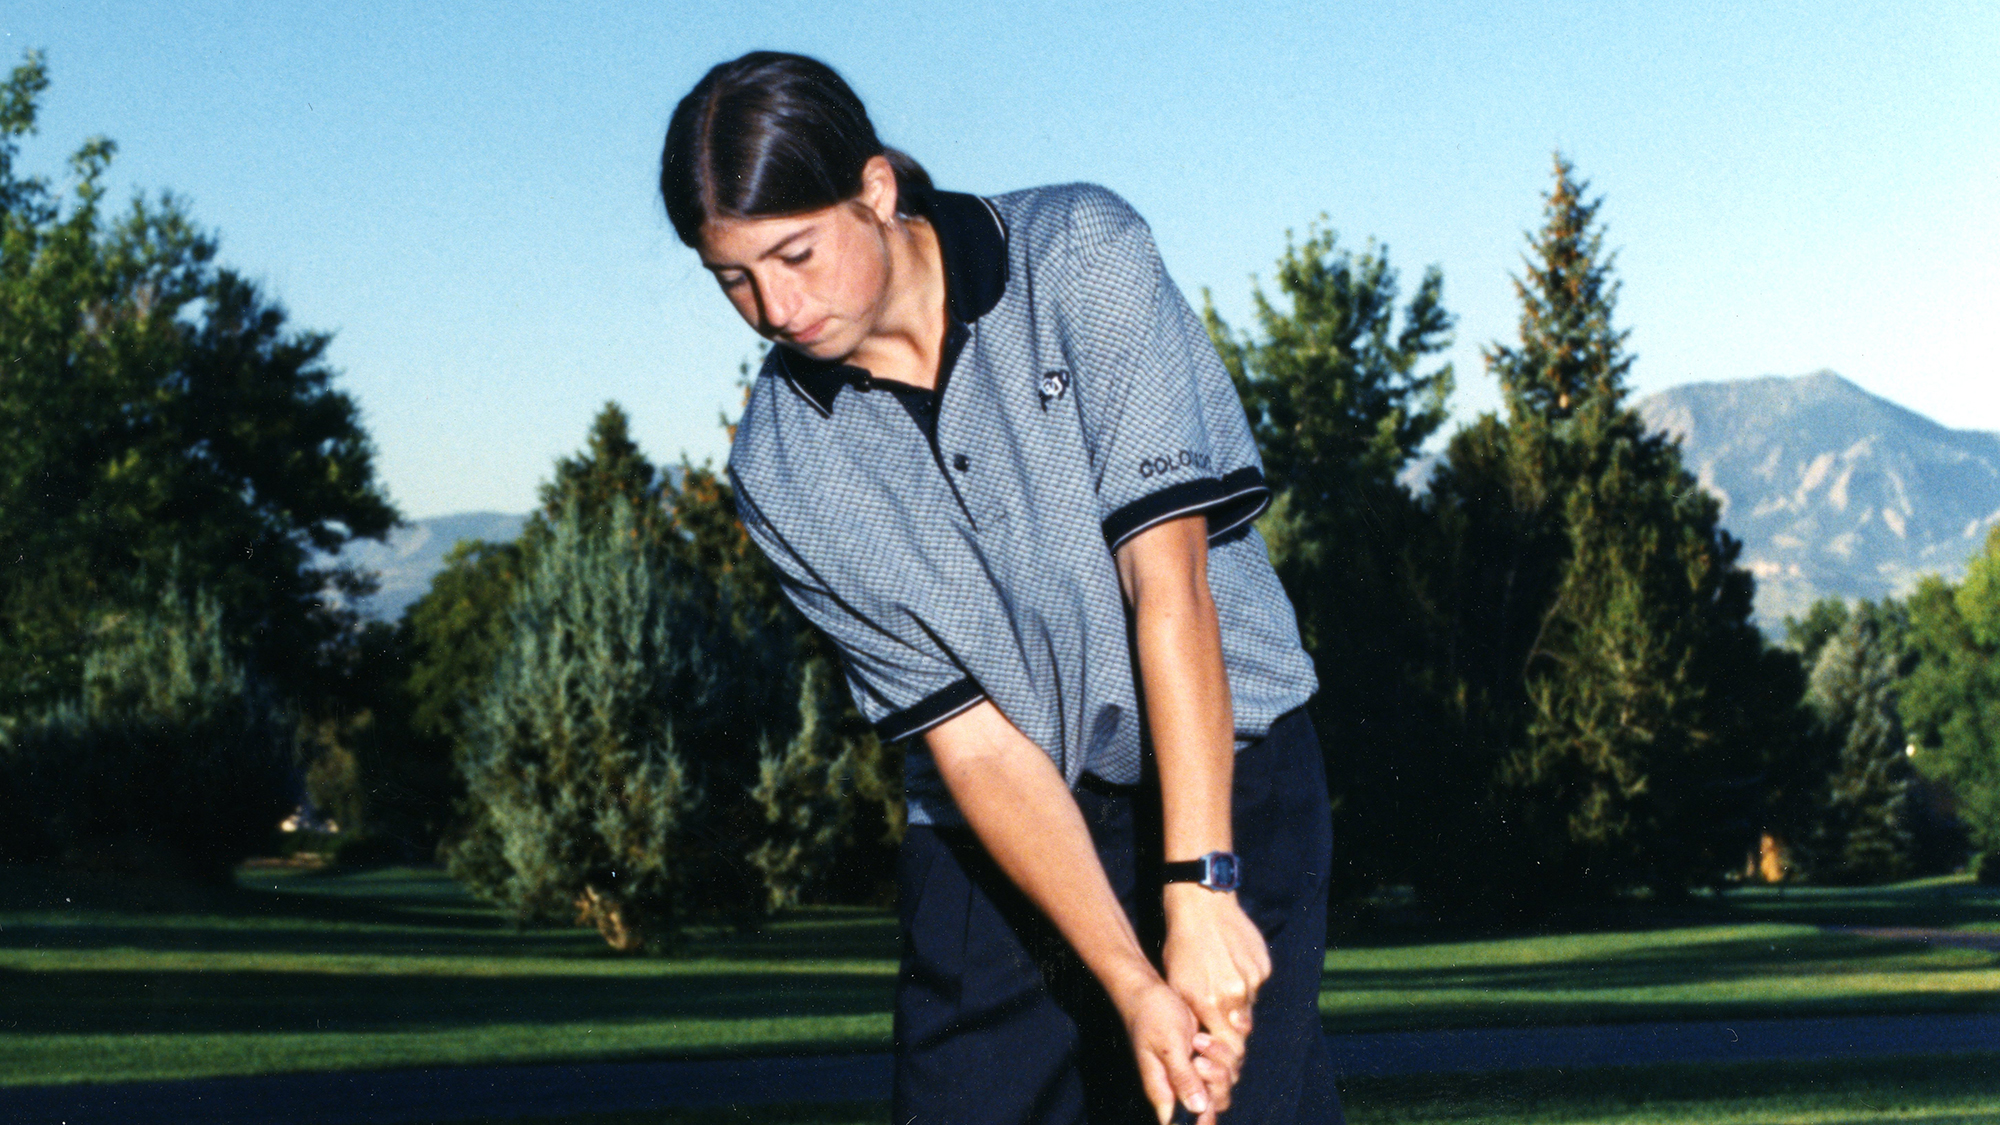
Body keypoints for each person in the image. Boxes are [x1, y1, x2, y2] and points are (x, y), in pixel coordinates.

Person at [660, 51, 1343, 1125]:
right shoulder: (782, 467)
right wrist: (1128, 981)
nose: (774, 308)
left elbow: (1169, 588)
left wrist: (1201, 891)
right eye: (733, 278)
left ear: (875, 190)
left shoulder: (1081, 254)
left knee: (1217, 1113)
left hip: (1224, 772)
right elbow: (972, 743)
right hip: (1003, 822)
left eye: (793, 254)